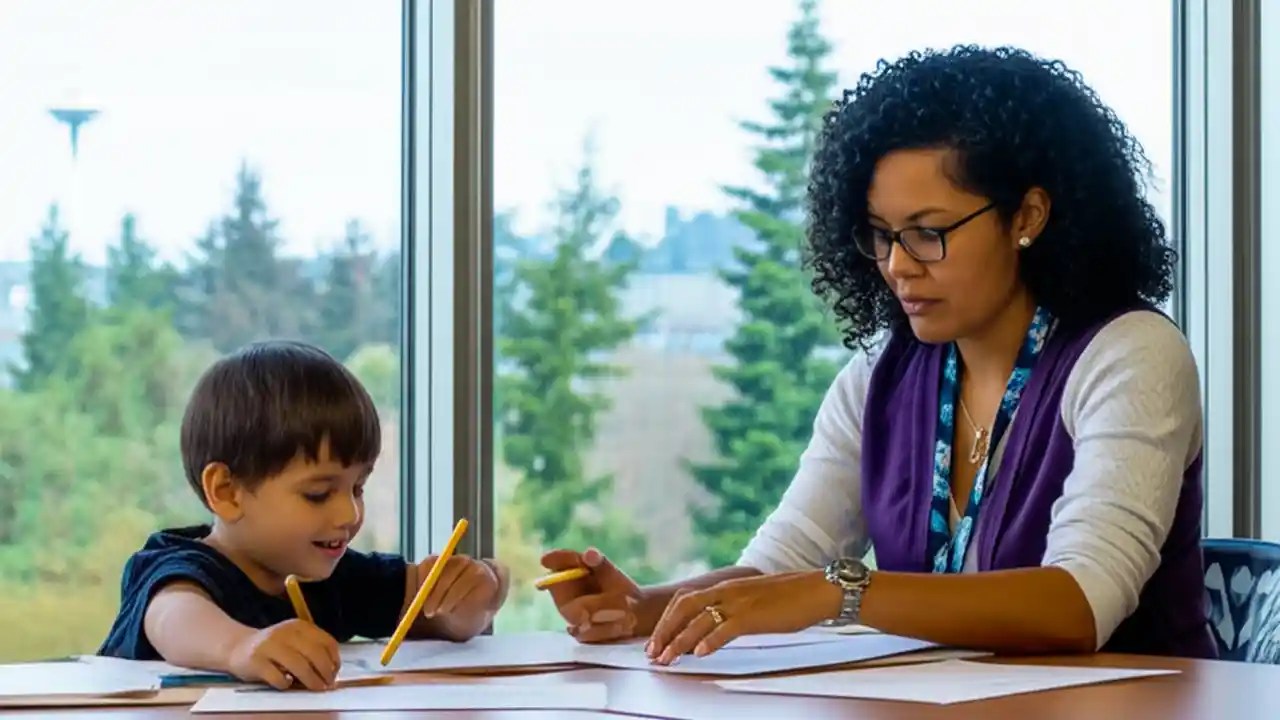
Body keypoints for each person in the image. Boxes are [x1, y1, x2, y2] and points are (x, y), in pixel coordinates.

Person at [540, 45, 1216, 662]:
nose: (897, 266)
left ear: (1027, 217)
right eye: (880, 235)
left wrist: (841, 591)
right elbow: (785, 565)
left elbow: (1080, 603)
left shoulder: (1129, 355)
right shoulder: (879, 377)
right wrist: (646, 607)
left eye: (928, 233)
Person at [99, 340, 509, 689]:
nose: (349, 513)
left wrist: (479, 591)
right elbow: (173, 618)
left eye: (358, 488)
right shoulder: (176, 569)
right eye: (318, 494)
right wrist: (239, 647)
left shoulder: (329, 576)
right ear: (227, 492)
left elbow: (433, 611)